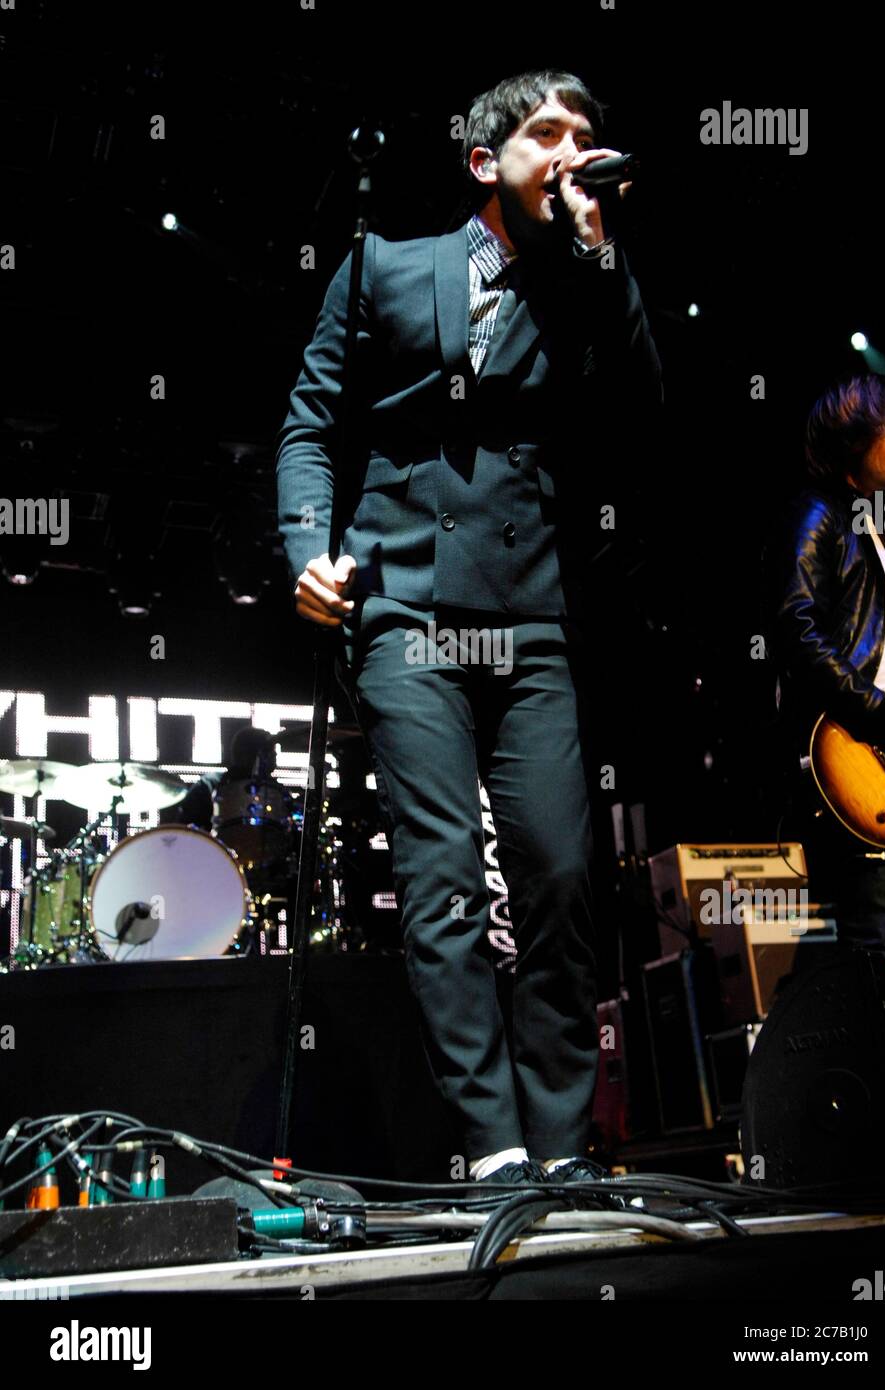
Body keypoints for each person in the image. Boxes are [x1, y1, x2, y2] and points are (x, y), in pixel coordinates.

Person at [276, 70, 662, 1187]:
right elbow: (310, 425)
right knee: (443, 877)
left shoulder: (583, 283)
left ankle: (558, 1146)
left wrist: (599, 248)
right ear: (485, 161)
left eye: (585, 136)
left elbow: (642, 402)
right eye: (548, 134)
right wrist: (310, 552)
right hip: (402, 609)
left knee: (558, 873)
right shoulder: (384, 265)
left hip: (531, 613)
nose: (572, 150)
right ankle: (493, 1147)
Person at [765, 373, 885, 963]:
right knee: (871, 941)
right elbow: (795, 633)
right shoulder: (815, 515)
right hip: (860, 751)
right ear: (857, 438)